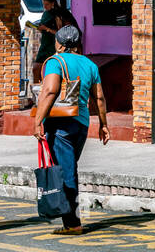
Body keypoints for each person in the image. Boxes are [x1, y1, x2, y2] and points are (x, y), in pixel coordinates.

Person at [33, 25, 110, 234]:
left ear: (58, 43)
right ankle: (69, 218)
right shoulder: (89, 64)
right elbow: (100, 97)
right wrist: (104, 125)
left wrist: (38, 120)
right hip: (81, 124)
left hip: (60, 124)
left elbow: (50, 91)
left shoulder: (55, 62)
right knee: (67, 168)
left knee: (67, 173)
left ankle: (72, 223)